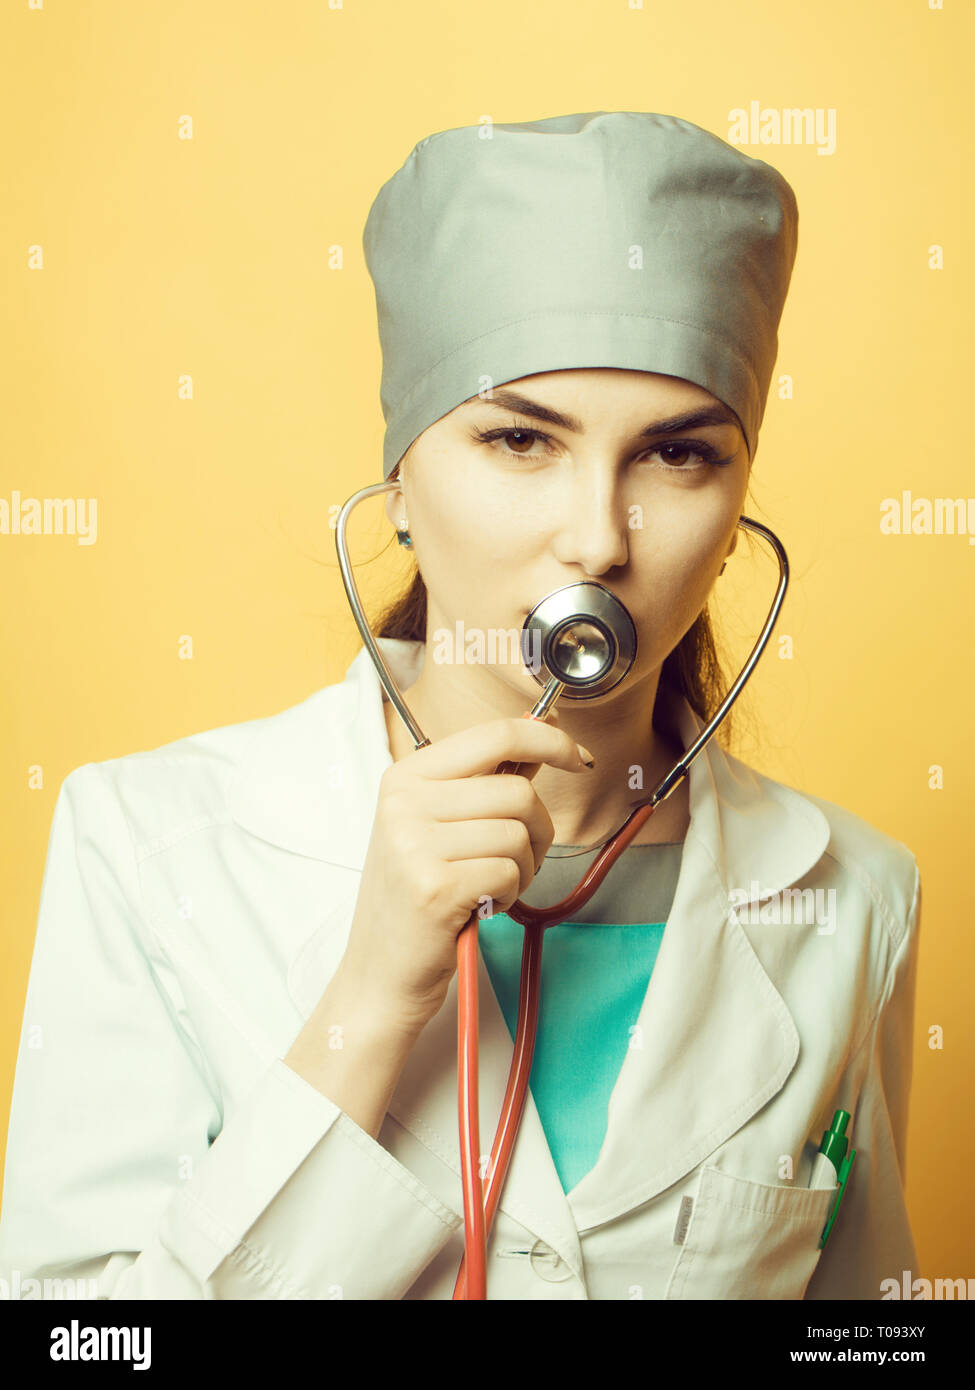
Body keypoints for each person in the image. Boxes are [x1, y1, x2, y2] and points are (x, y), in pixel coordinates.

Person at [0, 112, 921, 1301]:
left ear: (741, 502)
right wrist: (370, 997)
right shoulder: (148, 843)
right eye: (520, 439)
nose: (597, 536)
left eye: (678, 456)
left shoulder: (851, 890)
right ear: (398, 486)